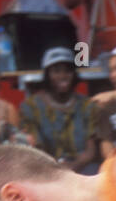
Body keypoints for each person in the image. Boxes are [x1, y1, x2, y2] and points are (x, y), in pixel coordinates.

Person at [20, 47, 99, 175]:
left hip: (83, 168)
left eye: (67, 71)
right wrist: (57, 169)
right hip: (46, 168)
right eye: (56, 71)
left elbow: (90, 151)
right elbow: (35, 149)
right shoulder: (31, 107)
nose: (63, 76)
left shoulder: (87, 105)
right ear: (47, 75)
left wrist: (73, 166)